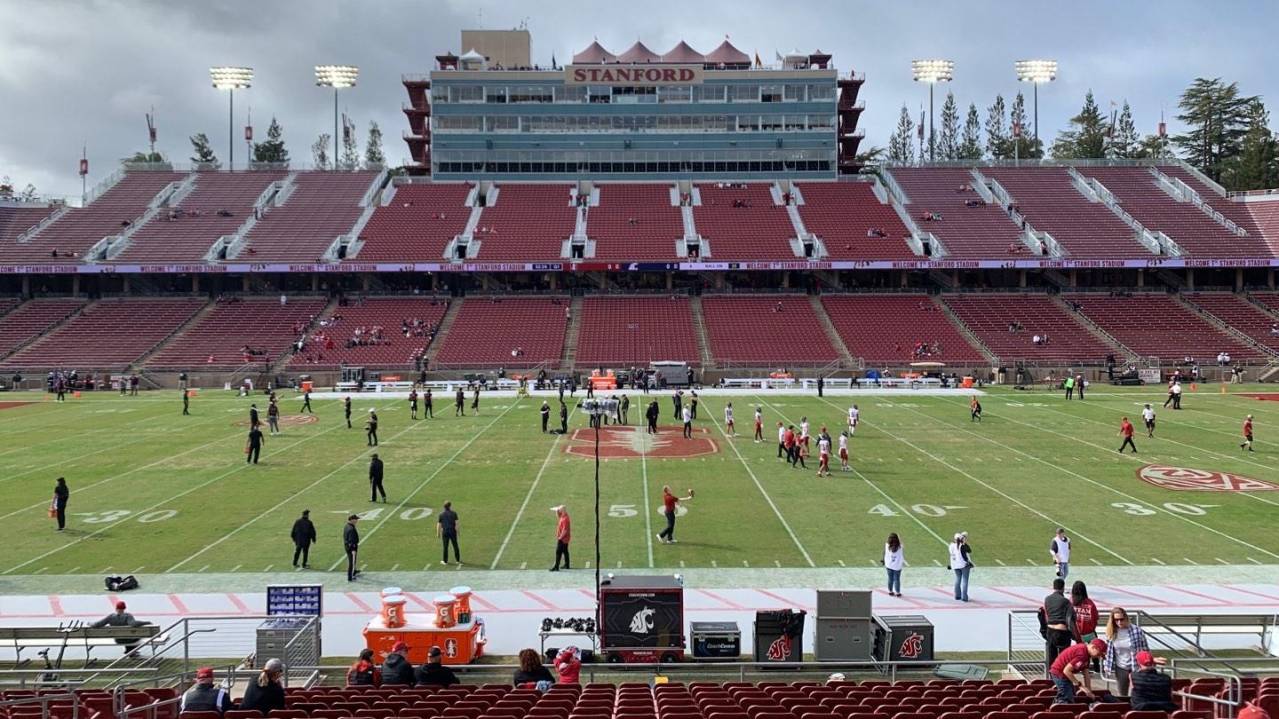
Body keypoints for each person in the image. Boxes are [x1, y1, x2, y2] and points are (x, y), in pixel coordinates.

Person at [1104, 606, 1149, 698]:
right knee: (1122, 695)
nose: (1119, 622)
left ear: (1126, 618)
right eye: (1116, 620)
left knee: (1137, 694)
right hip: (1121, 667)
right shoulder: (1111, 632)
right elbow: (1109, 652)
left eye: (1121, 619)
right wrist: (1107, 665)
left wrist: (1147, 664)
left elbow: (1145, 649)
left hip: (1136, 666)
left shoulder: (1137, 630)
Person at [1049, 638, 1107, 704]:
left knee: (1071, 693)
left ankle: (1059, 704)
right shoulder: (1082, 654)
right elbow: (1066, 670)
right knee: (1066, 695)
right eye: (1099, 654)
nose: (1098, 657)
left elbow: (1086, 674)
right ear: (1093, 647)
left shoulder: (1087, 655)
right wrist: (1080, 686)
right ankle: (1061, 707)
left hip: (1064, 674)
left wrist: (1089, 691)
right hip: (1059, 673)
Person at [1043, 577, 1076, 667]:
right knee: (1064, 657)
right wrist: (1073, 633)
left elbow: (1046, 615)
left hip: (1050, 630)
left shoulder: (1047, 599)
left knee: (1051, 657)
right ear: (1063, 588)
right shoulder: (1066, 601)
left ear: (1053, 587)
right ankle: (1062, 676)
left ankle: (1051, 676)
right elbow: (1070, 618)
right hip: (1062, 631)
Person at [1071, 581, 1100, 647]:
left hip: (1076, 635)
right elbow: (1095, 618)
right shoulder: (1090, 603)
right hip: (1089, 634)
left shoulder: (1071, 603)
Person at [948, 532, 972, 602]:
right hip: (963, 565)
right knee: (965, 580)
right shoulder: (962, 546)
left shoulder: (951, 546)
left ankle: (957, 595)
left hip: (955, 565)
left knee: (958, 579)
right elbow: (969, 550)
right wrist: (965, 542)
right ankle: (964, 597)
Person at [550, 505, 571, 571]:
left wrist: (560, 538)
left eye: (559, 510)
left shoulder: (565, 519)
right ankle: (567, 564)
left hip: (563, 539)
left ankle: (556, 566)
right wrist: (556, 511)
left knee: (558, 552)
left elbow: (565, 530)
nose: (558, 511)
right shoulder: (564, 516)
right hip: (565, 538)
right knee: (565, 551)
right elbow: (558, 516)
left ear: (562, 510)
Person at [883, 533, 904, 597]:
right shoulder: (900, 546)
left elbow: (887, 542)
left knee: (890, 578)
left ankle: (890, 591)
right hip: (897, 566)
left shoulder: (887, 545)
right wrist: (898, 536)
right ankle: (898, 592)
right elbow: (901, 542)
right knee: (897, 579)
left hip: (889, 565)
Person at [343, 513, 360, 581]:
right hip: (351, 548)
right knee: (351, 562)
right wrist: (353, 549)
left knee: (352, 562)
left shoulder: (347, 526)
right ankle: (350, 577)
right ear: (352, 520)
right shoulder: (351, 529)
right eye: (355, 519)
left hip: (347, 546)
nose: (357, 521)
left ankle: (353, 572)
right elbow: (351, 541)